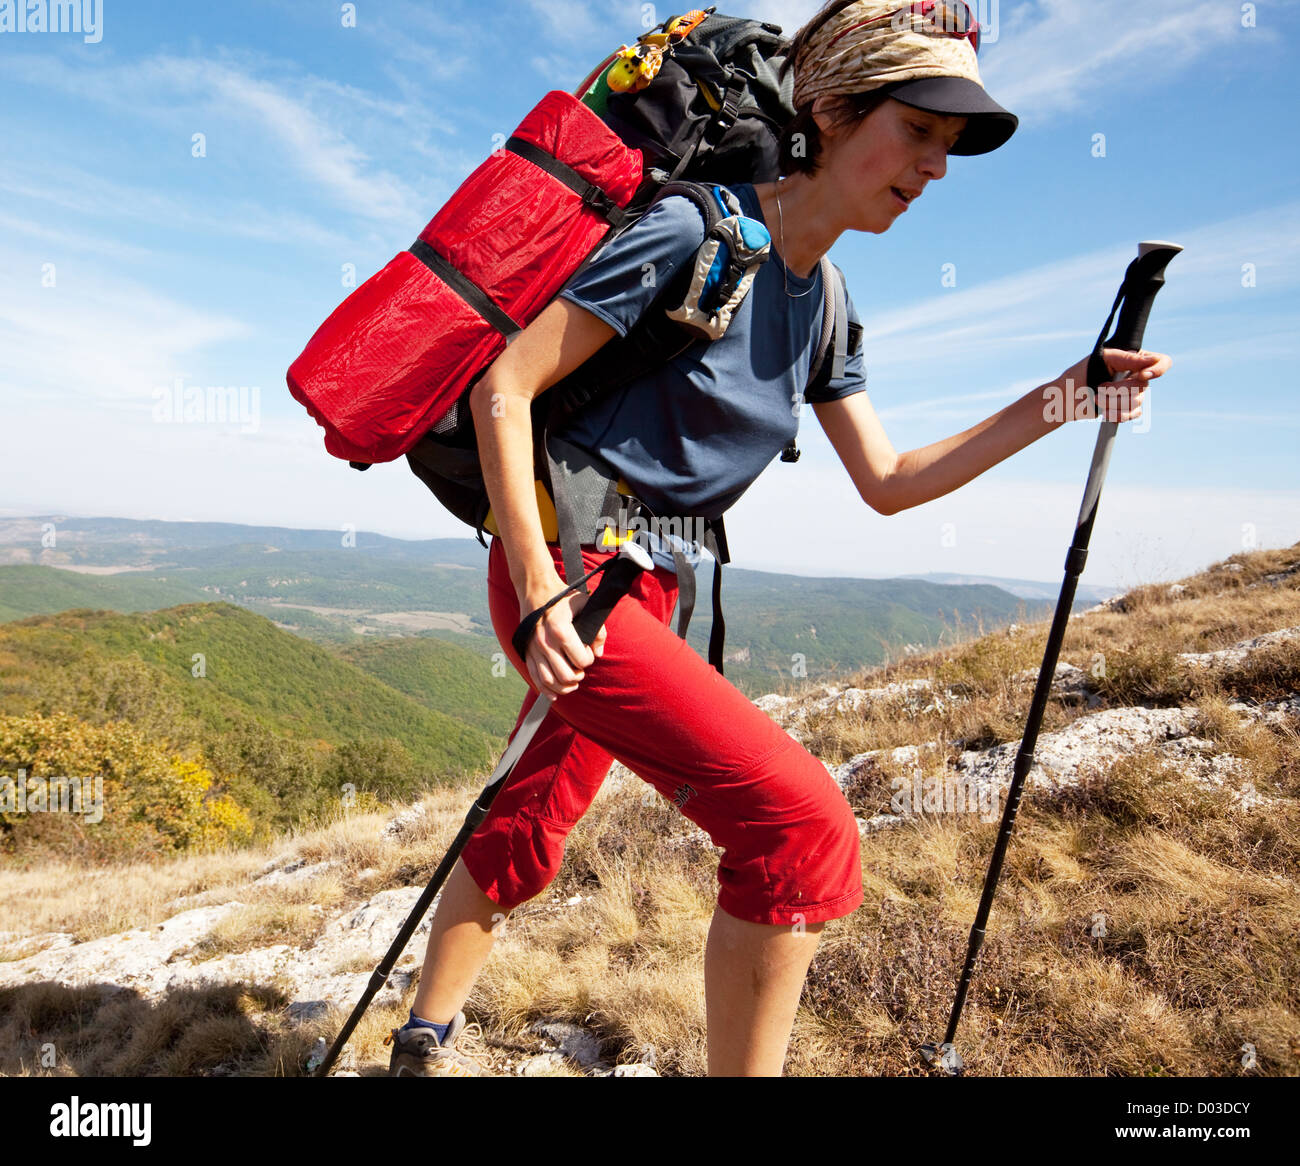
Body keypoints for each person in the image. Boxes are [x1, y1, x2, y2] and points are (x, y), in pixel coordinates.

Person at [386, 0, 1172, 1077]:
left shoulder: (828, 299)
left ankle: (421, 1032)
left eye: (950, 147)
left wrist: (1066, 397)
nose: (935, 167)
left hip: (649, 589)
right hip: (570, 569)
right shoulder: (692, 232)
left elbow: (892, 484)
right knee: (801, 827)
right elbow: (506, 383)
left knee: (530, 812)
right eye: (917, 130)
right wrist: (535, 585)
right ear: (836, 111)